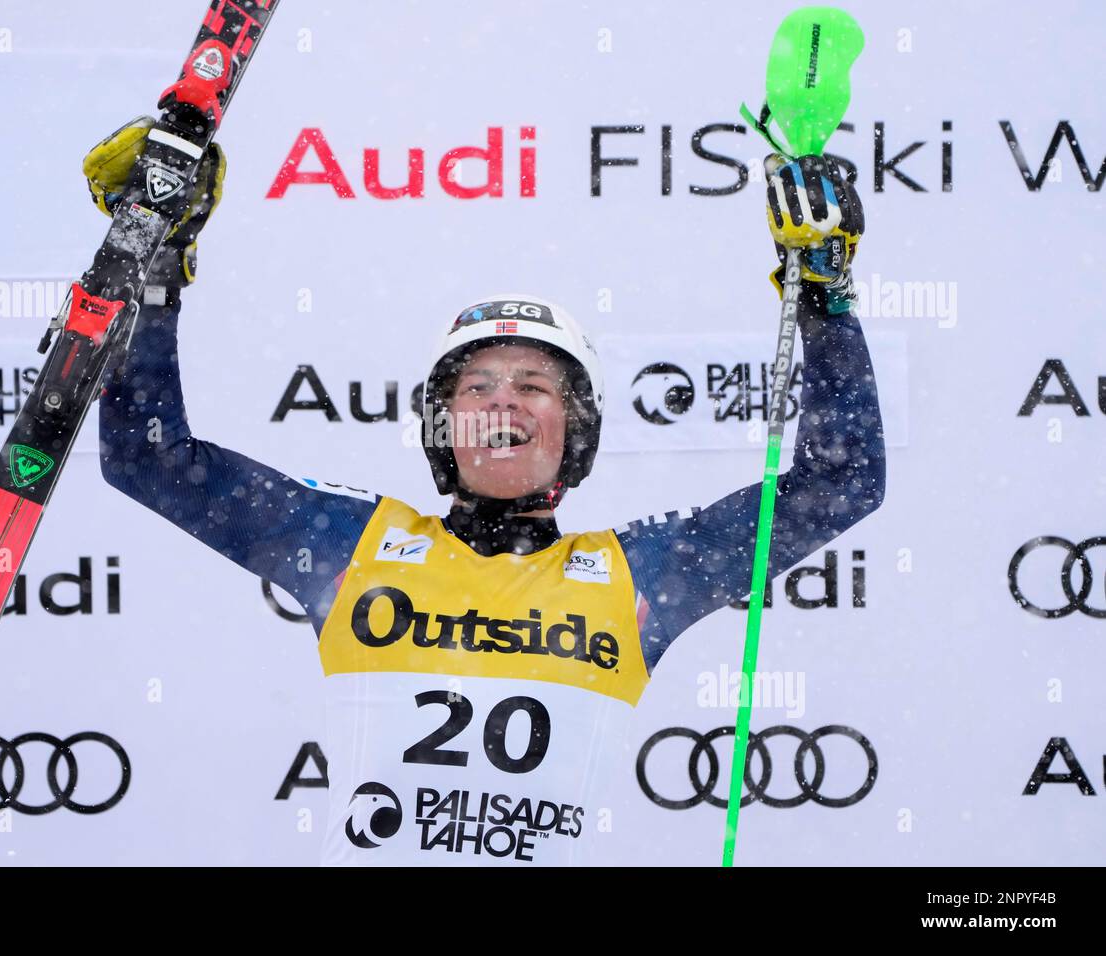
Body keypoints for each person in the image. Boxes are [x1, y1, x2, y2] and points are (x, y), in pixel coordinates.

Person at [89, 120, 885, 865]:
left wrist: (825, 296)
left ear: (575, 429)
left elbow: (842, 483)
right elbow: (148, 460)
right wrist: (156, 271)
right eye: (477, 387)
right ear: (443, 427)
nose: (504, 402)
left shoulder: (641, 574)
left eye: (533, 385)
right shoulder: (349, 543)